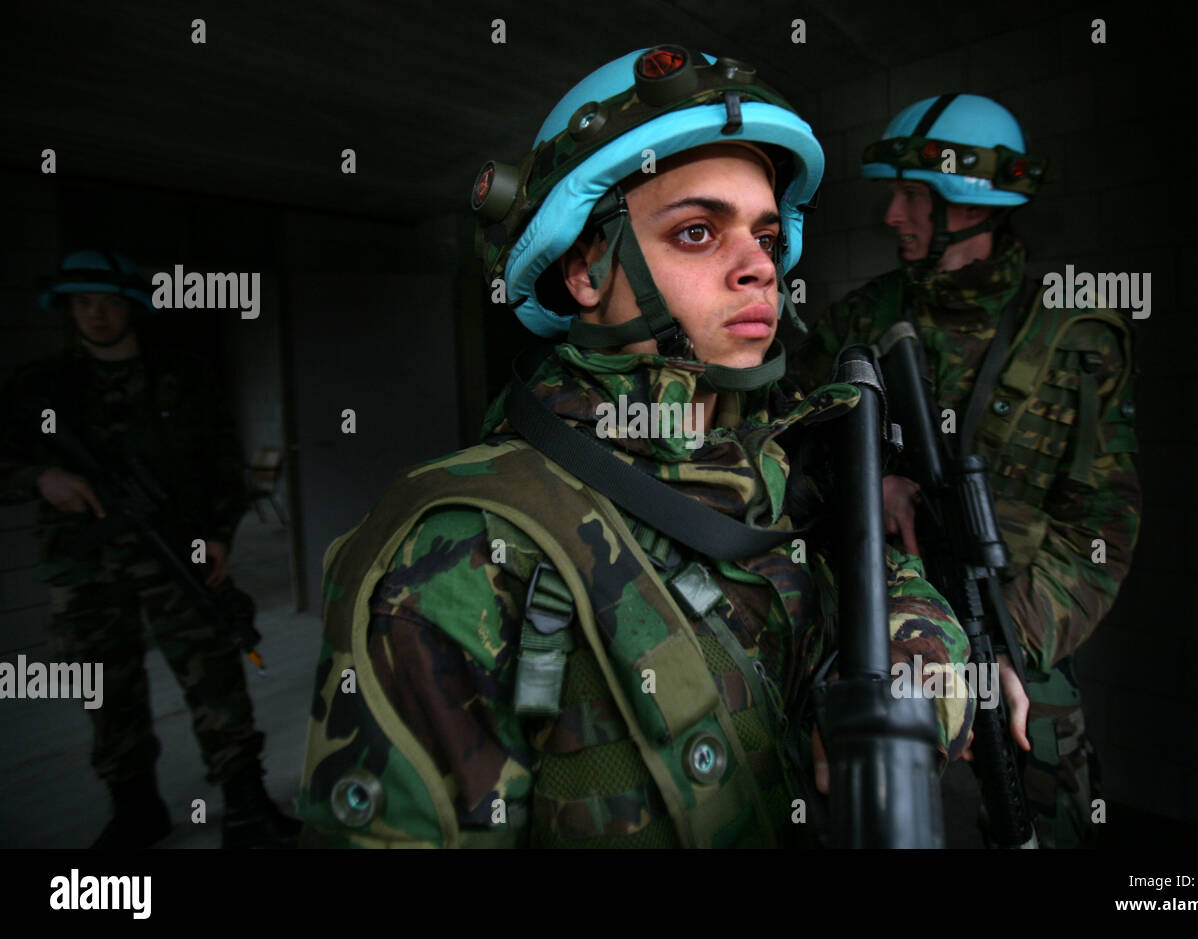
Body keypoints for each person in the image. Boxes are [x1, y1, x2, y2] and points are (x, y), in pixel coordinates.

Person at [298, 46, 975, 848]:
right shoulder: (463, 544)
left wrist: (914, 686)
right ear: (586, 269)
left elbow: (897, 583)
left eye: (765, 234)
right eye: (697, 231)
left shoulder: (780, 453)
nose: (759, 266)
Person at [792, 94, 1141, 847]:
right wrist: (867, 483)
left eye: (914, 195)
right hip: (882, 628)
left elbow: (1101, 527)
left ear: (973, 205)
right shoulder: (859, 322)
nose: (893, 215)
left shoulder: (1075, 339)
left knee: (1046, 821)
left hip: (1021, 635)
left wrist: (1001, 646)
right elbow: (783, 452)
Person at [0, 249, 301, 849]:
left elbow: (221, 462)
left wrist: (218, 534)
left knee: (215, 677)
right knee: (105, 690)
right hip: (84, 567)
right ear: (67, 309)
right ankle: (134, 809)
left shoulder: (183, 377)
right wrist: (40, 480)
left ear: (130, 306)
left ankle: (246, 804)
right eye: (83, 304)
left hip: (176, 549)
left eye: (108, 303)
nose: (96, 315)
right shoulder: (40, 386)